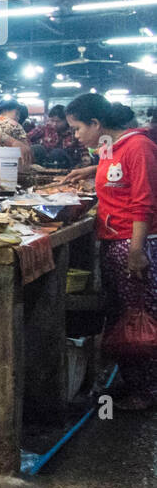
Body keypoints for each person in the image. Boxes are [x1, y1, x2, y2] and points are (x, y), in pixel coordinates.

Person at [66, 93, 157, 409]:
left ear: (95, 123)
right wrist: (88, 172)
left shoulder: (139, 146)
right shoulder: (108, 147)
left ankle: (145, 392)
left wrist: (136, 249)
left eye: (78, 129)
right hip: (112, 239)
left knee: (138, 317)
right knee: (120, 315)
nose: (76, 136)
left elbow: (144, 201)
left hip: (131, 242)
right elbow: (112, 168)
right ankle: (132, 381)